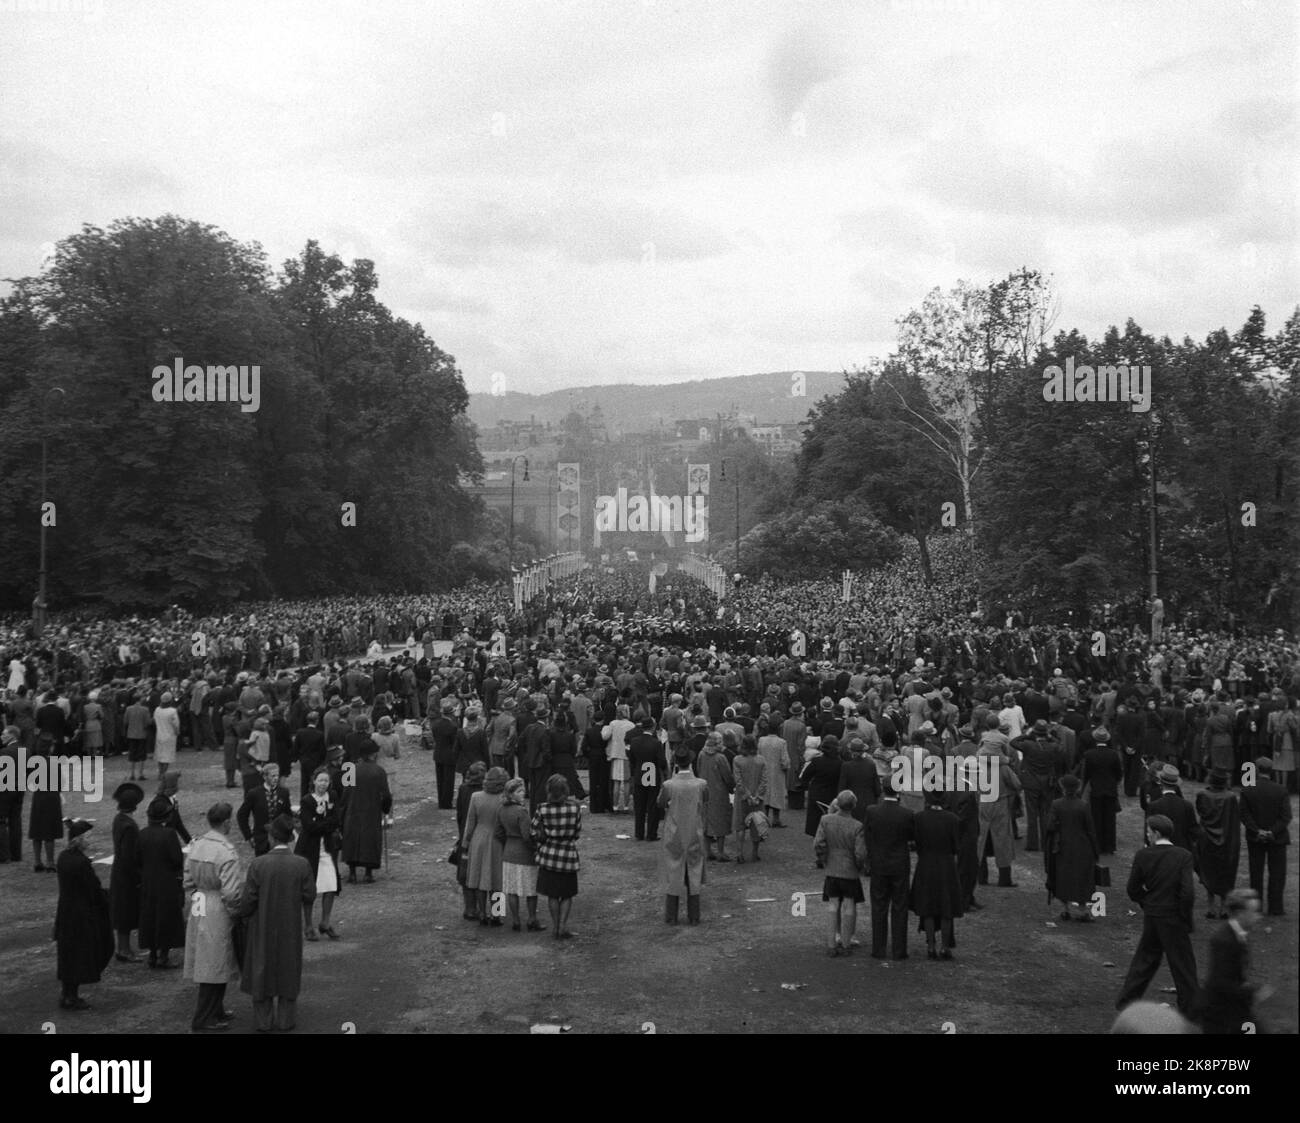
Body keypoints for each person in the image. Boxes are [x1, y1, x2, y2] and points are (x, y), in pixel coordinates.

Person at [238, 814, 315, 1033]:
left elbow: (248, 901)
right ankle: (285, 1019)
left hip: (262, 927)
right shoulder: (301, 864)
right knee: (288, 968)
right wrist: (307, 921)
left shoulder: (258, 864)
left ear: (272, 837)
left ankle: (263, 1020)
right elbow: (309, 895)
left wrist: (242, 915)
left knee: (262, 968)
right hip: (290, 927)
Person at [1116, 814, 1198, 1015]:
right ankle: (1190, 1007)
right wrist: (1184, 915)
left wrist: (1147, 901)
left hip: (1152, 915)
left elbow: (1132, 889)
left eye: (1148, 832)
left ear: (1156, 833)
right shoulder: (1183, 856)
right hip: (1173, 916)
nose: (1147, 835)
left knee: (1145, 959)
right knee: (1182, 964)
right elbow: (1187, 893)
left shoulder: (1143, 855)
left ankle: (1127, 1000)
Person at [183, 801, 242, 1032]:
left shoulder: (197, 845)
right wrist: (236, 912)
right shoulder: (226, 851)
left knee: (206, 957)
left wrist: (195, 895)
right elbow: (231, 892)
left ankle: (215, 1009)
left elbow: (187, 879)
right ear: (227, 822)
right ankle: (204, 1016)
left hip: (199, 901)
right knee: (216, 960)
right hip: (217, 904)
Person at [54, 818, 113, 1010]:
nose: (90, 840)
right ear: (78, 839)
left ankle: (67, 993)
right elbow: (92, 890)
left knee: (68, 955)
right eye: (87, 837)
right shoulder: (80, 862)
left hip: (65, 911)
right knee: (80, 955)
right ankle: (71, 996)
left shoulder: (64, 857)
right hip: (81, 915)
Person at [1195, 888, 1273, 1035]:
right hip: (1221, 1012)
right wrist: (1252, 992)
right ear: (1240, 914)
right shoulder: (1224, 940)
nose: (1258, 917)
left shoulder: (1238, 934)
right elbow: (1221, 981)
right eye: (1254, 912)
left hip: (1231, 1009)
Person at [864, 778, 915, 959]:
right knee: (900, 907)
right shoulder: (907, 814)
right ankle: (899, 950)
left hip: (879, 864)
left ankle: (878, 949)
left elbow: (867, 837)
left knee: (878, 906)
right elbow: (911, 837)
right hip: (900, 864)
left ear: (884, 790)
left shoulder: (872, 811)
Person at [814, 790, 868, 957]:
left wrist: (824, 859)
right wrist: (860, 866)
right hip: (850, 870)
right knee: (849, 905)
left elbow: (818, 843)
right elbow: (860, 853)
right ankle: (846, 943)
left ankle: (831, 944)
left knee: (832, 904)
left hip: (832, 868)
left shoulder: (825, 820)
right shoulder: (857, 826)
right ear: (853, 806)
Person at [910, 792, 963, 960]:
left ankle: (931, 946)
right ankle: (945, 947)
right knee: (947, 908)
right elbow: (957, 846)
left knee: (928, 907)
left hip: (926, 863)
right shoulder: (953, 819)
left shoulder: (919, 818)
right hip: (946, 865)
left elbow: (915, 842)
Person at [658, 748, 708, 925]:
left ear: (676, 764)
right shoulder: (701, 784)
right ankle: (694, 916)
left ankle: (671, 916)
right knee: (694, 872)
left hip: (675, 832)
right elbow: (705, 799)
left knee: (673, 872)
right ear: (691, 763)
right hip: (694, 830)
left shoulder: (669, 785)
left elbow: (660, 802)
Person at [138, 796, 186, 969]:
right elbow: (176, 859)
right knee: (166, 918)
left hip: (148, 881)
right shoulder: (169, 834)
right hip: (167, 882)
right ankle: (163, 956)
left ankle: (152, 955)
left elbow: (137, 859)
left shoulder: (142, 834)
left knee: (150, 917)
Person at [532, 774, 582, 939]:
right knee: (567, 894)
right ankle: (562, 927)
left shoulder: (542, 808)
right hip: (567, 854)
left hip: (549, 854)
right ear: (565, 791)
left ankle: (555, 927)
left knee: (552, 894)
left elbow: (534, 831)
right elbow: (577, 833)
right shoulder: (575, 808)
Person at [1239, 756, 1291, 917]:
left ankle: (1257, 907)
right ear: (1272, 770)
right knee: (1277, 874)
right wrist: (1272, 832)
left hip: (1255, 838)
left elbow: (1244, 815)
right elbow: (1285, 817)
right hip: (1278, 838)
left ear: (1255, 769)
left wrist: (1257, 831)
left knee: (1256, 873)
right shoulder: (1281, 790)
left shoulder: (1247, 790)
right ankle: (1276, 908)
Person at [1043, 774, 1099, 922]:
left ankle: (1065, 909)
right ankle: (1083, 911)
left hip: (1062, 847)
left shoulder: (1056, 804)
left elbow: (1049, 826)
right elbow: (1090, 829)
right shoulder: (1083, 805)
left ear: (1062, 787)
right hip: (1082, 846)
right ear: (1077, 788)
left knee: (1062, 878)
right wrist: (1095, 849)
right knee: (1083, 879)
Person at [296, 768, 342, 940]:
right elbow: (309, 826)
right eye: (320, 780)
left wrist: (323, 822)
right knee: (310, 888)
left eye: (326, 781)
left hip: (327, 848)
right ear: (314, 781)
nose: (323, 784)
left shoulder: (333, 797)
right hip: (310, 849)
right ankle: (308, 925)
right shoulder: (307, 800)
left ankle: (325, 922)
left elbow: (337, 819)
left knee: (331, 885)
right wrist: (325, 822)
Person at [340, 740, 392, 883]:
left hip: (353, 810)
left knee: (352, 839)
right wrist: (385, 808)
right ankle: (368, 873)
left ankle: (352, 873)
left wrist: (342, 810)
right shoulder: (379, 771)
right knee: (370, 840)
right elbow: (386, 795)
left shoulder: (349, 768)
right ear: (373, 754)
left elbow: (345, 794)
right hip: (371, 810)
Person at [495, 777, 541, 932]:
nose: (523, 794)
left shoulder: (501, 809)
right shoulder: (522, 812)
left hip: (508, 851)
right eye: (519, 791)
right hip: (524, 854)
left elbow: (498, 832)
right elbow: (527, 836)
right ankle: (532, 919)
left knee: (512, 889)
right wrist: (535, 848)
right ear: (511, 794)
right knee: (531, 890)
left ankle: (515, 920)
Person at [463, 765, 507, 926]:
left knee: (480, 878)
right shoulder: (504, 799)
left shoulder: (476, 797)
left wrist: (466, 844)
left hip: (479, 839)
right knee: (498, 879)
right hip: (498, 841)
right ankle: (497, 914)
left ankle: (482, 913)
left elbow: (470, 823)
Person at [1195, 769, 1241, 919]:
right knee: (1226, 871)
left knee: (1208, 870)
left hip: (1207, 838)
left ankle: (1210, 906)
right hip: (1227, 839)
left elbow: (1200, 812)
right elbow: (1235, 817)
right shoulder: (1231, 797)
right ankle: (1224, 907)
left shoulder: (1202, 795)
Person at [109, 781, 145, 962]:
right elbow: (130, 856)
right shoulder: (130, 826)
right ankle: (123, 949)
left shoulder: (119, 820)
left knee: (122, 911)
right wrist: (138, 876)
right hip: (126, 874)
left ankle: (123, 948)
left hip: (119, 871)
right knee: (126, 912)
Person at [1080, 726, 1123, 855]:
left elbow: (1086, 774)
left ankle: (1097, 845)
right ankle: (1109, 846)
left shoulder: (1089, 754)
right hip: (1110, 789)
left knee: (1096, 818)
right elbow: (1118, 773)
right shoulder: (1113, 754)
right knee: (1110, 819)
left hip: (1095, 789)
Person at [237, 761, 293, 858]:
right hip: (261, 839)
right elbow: (242, 815)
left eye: (277, 775)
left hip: (280, 839)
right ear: (264, 777)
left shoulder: (283, 793)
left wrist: (288, 833)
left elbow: (288, 814)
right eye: (273, 776)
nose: (276, 778)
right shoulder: (254, 794)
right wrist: (248, 836)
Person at [696, 730, 735, 861]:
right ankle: (720, 852)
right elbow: (727, 776)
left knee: (706, 820)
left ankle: (708, 851)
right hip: (719, 792)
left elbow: (698, 769)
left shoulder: (701, 754)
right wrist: (731, 788)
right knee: (721, 822)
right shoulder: (720, 758)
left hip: (704, 791)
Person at [27, 732, 64, 873]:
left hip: (38, 796)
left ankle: (37, 861)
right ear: (50, 747)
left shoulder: (33, 762)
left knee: (37, 831)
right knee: (49, 832)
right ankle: (50, 862)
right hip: (52, 797)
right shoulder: (54, 763)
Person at [455, 762, 487, 920]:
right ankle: (496, 912)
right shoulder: (493, 794)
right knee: (494, 876)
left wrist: (462, 835)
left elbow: (460, 815)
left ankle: (470, 908)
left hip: (466, 837)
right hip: (489, 839)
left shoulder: (463, 790)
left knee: (466, 875)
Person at [626, 716, 665, 842]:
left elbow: (631, 759)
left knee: (639, 806)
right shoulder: (656, 743)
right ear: (653, 727)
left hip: (639, 773)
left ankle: (639, 833)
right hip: (652, 773)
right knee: (652, 805)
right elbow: (662, 762)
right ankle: (651, 834)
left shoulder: (634, 741)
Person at [731, 734, 768, 862]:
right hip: (758, 798)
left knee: (740, 826)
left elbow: (738, 780)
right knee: (757, 824)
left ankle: (739, 853)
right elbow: (764, 780)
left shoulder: (737, 760)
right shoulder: (761, 760)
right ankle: (754, 853)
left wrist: (747, 795)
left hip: (742, 798)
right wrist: (757, 795)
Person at [755, 717, 790, 827]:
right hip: (777, 772)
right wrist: (786, 767)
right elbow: (785, 761)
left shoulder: (761, 740)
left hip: (763, 771)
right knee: (776, 795)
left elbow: (757, 756)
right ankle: (776, 819)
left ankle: (764, 818)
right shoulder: (782, 742)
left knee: (764, 794)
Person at [602, 704, 636, 813]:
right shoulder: (631, 725)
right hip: (626, 755)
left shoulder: (613, 723)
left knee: (616, 782)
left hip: (615, 754)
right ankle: (625, 806)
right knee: (626, 782)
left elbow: (605, 736)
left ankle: (615, 806)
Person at [153, 692, 180, 779]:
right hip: (170, 735)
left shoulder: (157, 710)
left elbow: (154, 720)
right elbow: (176, 724)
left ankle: (160, 772)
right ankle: (163, 774)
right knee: (167, 756)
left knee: (160, 755)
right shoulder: (172, 711)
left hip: (159, 735)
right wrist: (177, 732)